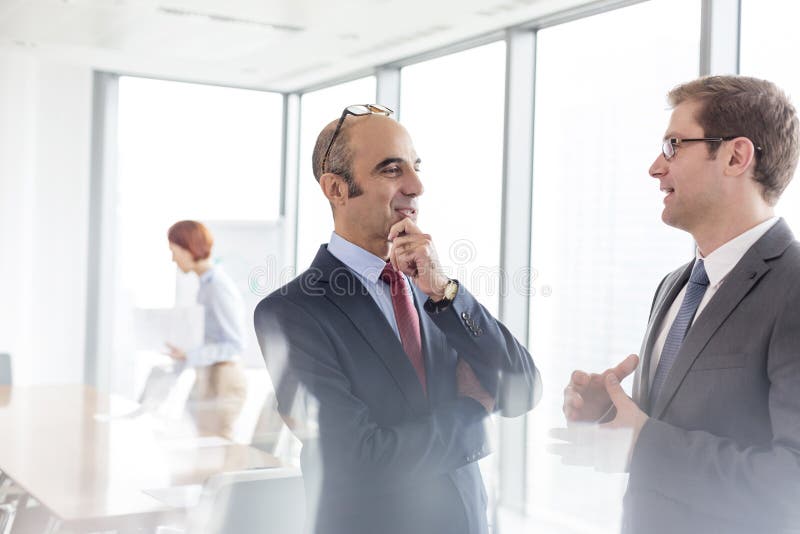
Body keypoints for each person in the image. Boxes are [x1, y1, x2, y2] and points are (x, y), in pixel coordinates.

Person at [254, 104, 541, 534]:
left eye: (416, 167)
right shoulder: (291, 312)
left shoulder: (432, 289)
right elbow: (358, 462)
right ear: (336, 188)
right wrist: (470, 412)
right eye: (392, 170)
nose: (416, 186)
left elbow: (521, 389)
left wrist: (444, 291)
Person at [556, 75, 800, 533]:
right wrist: (612, 415)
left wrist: (643, 442)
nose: (655, 167)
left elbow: (793, 483)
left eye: (673, 145)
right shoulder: (674, 286)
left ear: (735, 156)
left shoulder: (794, 287)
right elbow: (673, 430)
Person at [166, 220, 248, 440]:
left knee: (217, 453)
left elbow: (235, 344)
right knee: (202, 445)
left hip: (224, 379)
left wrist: (191, 354)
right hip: (212, 375)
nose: (173, 259)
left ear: (189, 248)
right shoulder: (206, 284)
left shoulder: (217, 286)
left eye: (174, 252)